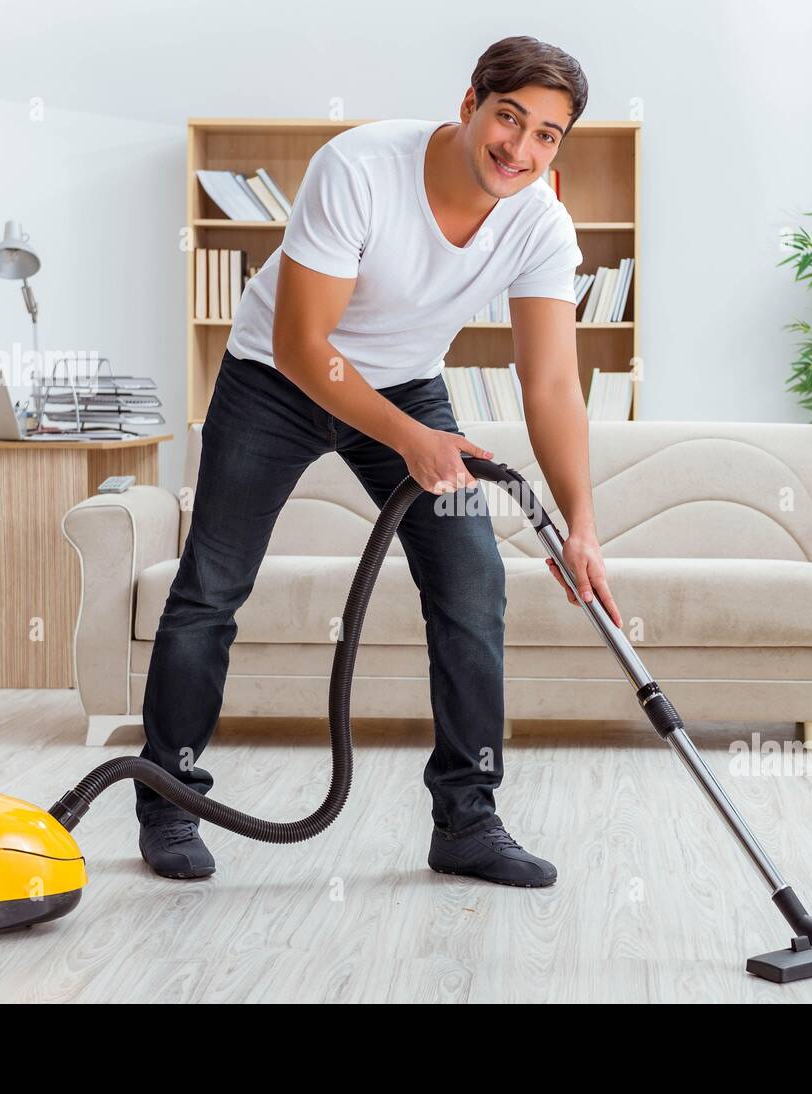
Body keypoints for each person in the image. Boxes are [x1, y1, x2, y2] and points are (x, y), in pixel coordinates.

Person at [138, 34, 621, 887]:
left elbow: (549, 384)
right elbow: (301, 340)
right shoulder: (359, 167)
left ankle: (467, 820)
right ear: (469, 102)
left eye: (548, 134)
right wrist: (408, 438)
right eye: (510, 119)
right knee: (212, 586)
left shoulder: (540, 220)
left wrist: (581, 525)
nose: (521, 148)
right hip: (275, 380)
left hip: (405, 386)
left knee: (473, 579)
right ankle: (169, 801)